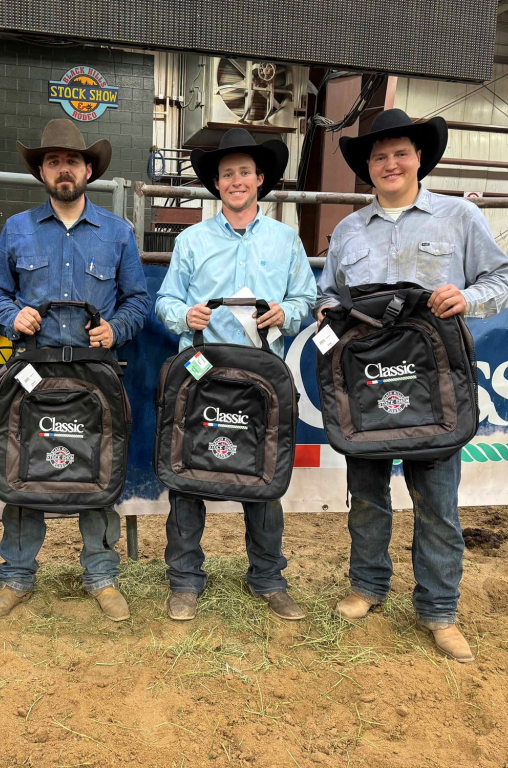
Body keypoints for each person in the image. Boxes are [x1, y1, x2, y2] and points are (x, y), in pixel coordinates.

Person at [316, 108, 508, 663]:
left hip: (434, 384)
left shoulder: (458, 217)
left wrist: (467, 299)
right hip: (369, 384)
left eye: (400, 153)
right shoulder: (350, 229)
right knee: (368, 496)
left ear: (420, 158)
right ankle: (367, 587)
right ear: (368, 168)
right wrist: (325, 314)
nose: (390, 164)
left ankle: (439, 610)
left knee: (438, 503)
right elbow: (328, 293)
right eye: (379, 157)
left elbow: (502, 279)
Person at [0, 119, 151, 622]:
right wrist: (13, 316)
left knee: (98, 470)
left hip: (95, 370)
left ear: (88, 169)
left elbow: (139, 301)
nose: (63, 170)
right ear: (41, 171)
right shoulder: (17, 229)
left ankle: (101, 575)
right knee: (23, 467)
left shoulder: (118, 233)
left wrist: (115, 330)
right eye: (53, 162)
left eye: (71, 161)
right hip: (31, 370)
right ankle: (15, 577)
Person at [155, 128, 316, 621]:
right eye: (227, 174)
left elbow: (306, 300)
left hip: (261, 376)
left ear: (260, 179)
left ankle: (268, 576)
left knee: (263, 471)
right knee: (187, 471)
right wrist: (186, 317)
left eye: (245, 172)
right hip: (202, 371)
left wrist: (283, 315)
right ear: (217, 184)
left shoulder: (286, 241)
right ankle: (185, 579)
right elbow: (165, 299)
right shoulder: (191, 240)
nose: (237, 181)